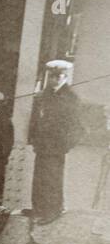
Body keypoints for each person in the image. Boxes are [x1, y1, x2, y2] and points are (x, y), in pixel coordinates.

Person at [29, 59, 83, 223]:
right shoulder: (43, 95)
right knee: (40, 176)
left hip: (57, 145)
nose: (55, 79)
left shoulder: (70, 97)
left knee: (52, 177)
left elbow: (76, 124)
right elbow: (36, 119)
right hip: (42, 144)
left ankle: (53, 210)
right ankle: (38, 208)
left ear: (65, 77)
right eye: (53, 76)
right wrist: (34, 138)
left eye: (59, 76)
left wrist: (65, 145)